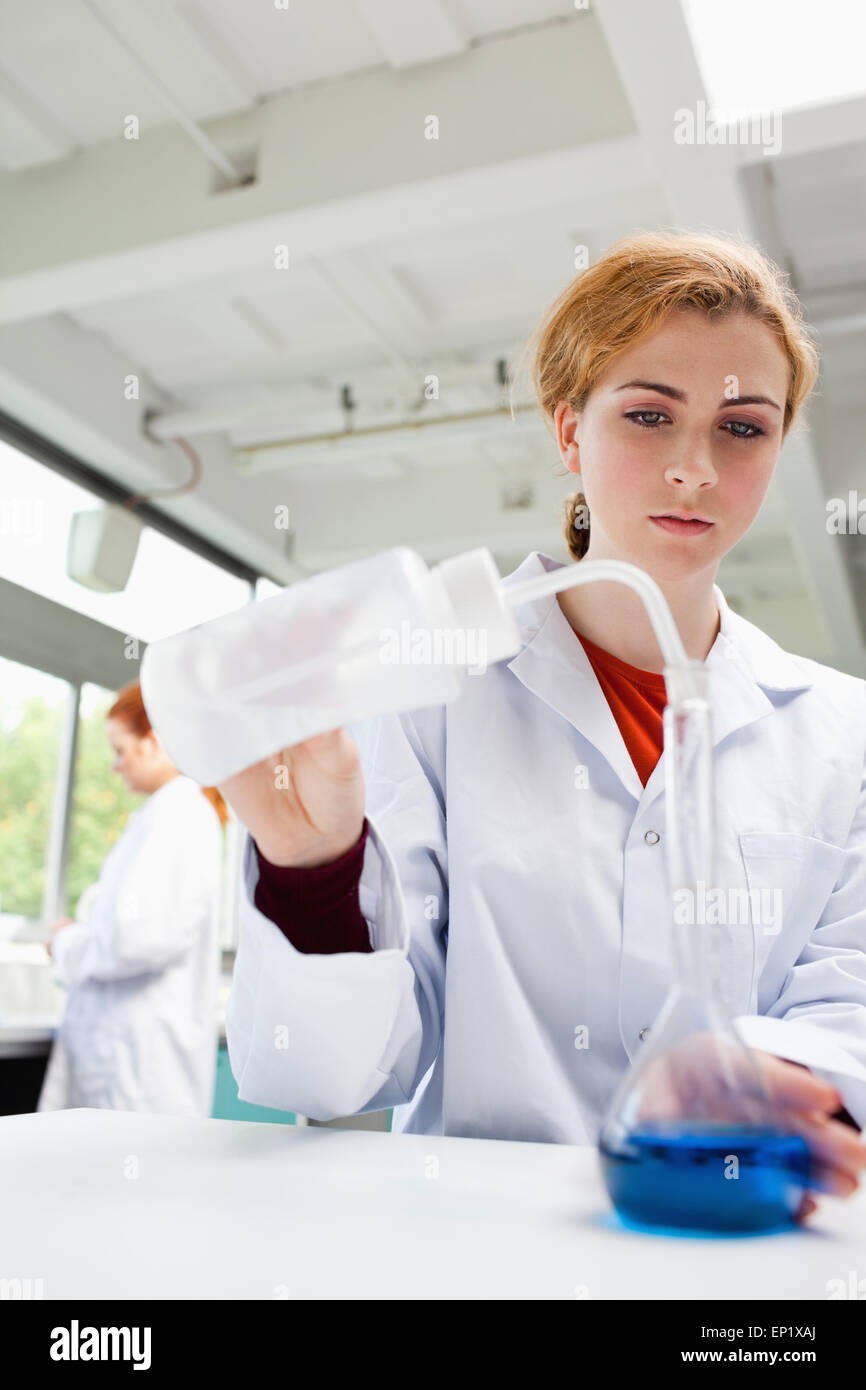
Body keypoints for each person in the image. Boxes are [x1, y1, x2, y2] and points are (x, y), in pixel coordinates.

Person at [218, 230, 866, 1221]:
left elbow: (847, 1009)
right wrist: (314, 876)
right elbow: (331, 1076)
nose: (692, 467)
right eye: (648, 414)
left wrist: (761, 1078)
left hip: (733, 1226)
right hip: (478, 1252)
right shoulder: (437, 685)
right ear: (569, 432)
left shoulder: (840, 731)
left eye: (741, 426)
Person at [38, 680, 228, 1116]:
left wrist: (65, 944)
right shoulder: (162, 815)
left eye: (120, 750)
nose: (115, 766)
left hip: (141, 1069)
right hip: (129, 1061)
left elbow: (133, 939)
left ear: (154, 743)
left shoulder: (178, 815)